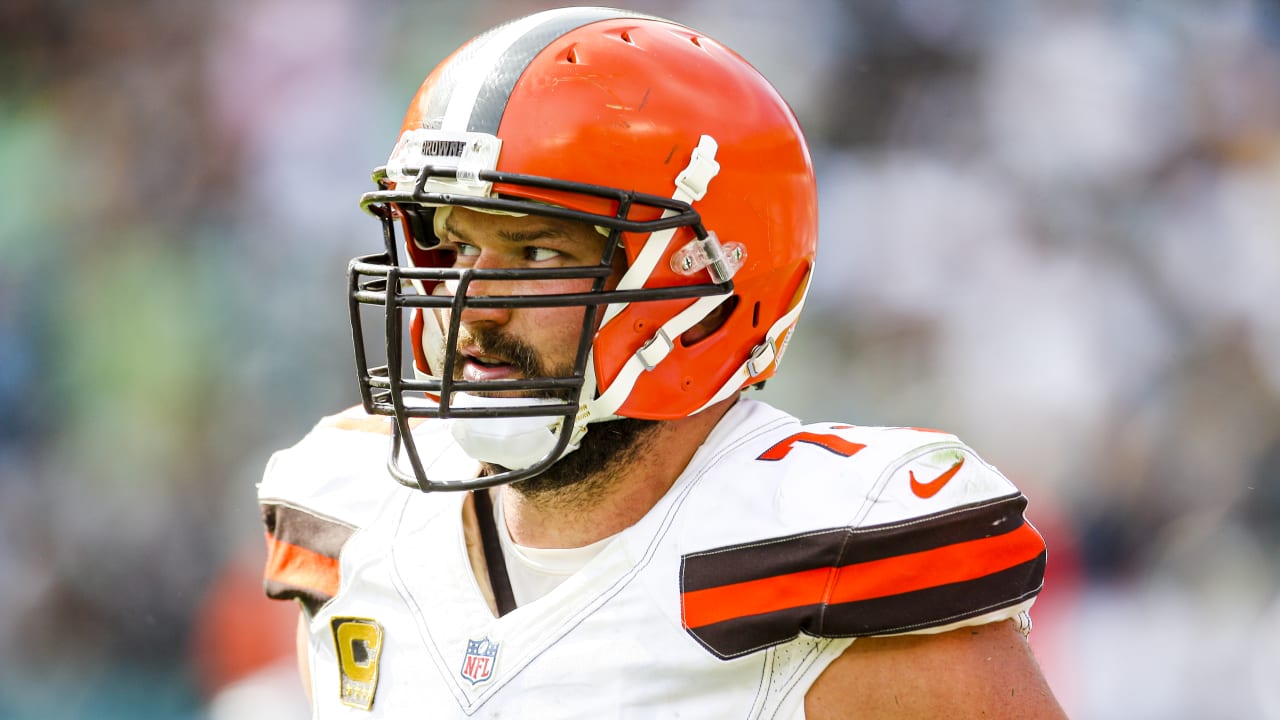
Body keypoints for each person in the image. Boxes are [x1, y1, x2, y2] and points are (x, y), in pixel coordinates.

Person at [257, 6, 1068, 717]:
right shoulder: (357, 518)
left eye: (535, 252)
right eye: (459, 243)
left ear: (702, 291)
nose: (473, 304)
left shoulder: (820, 564)